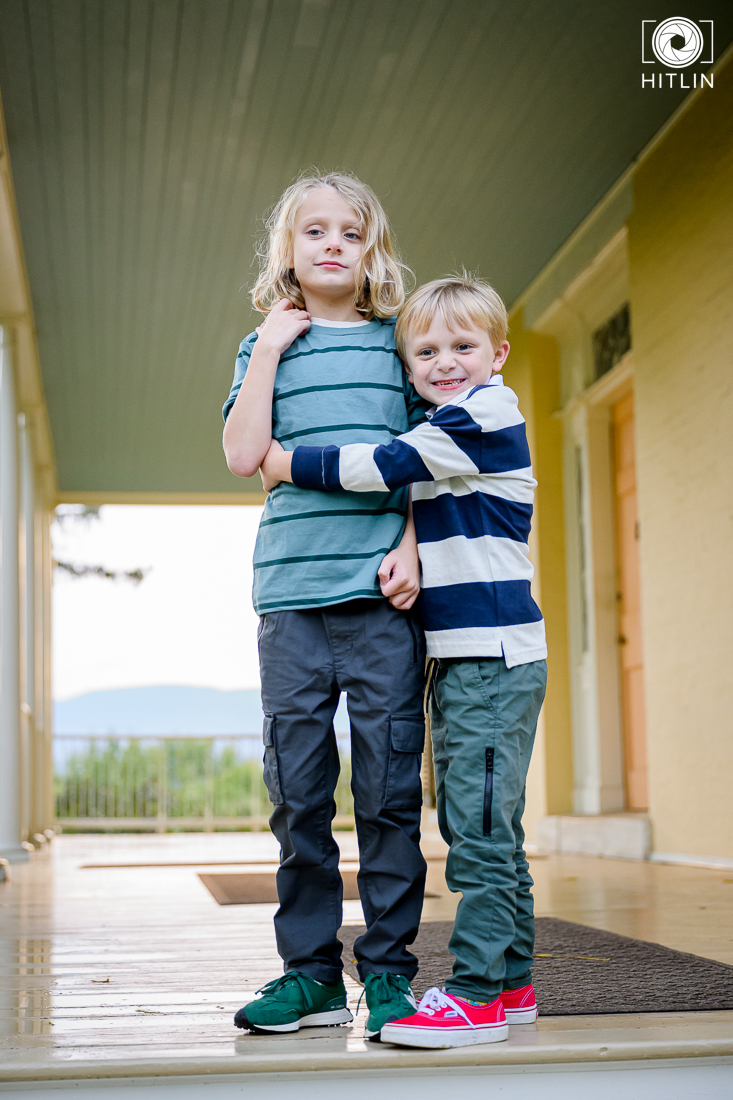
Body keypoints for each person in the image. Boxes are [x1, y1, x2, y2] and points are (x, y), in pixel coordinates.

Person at [261, 273, 548, 1049]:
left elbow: (382, 464)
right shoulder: (455, 417)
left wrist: (285, 464)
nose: (443, 361)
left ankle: (480, 992)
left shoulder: (485, 414)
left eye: (462, 346)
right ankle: (514, 982)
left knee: (479, 825)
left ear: (498, 353)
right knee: (481, 818)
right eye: (425, 350)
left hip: (490, 654)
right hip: (462, 656)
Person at [222, 172, 429, 1040]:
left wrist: (413, 545)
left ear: (371, 249)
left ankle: (387, 975)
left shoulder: (397, 345)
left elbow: (432, 458)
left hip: (381, 603)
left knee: (387, 793)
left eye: (350, 230)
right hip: (291, 602)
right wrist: (268, 348)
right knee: (298, 794)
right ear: (290, 252)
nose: (332, 243)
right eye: (314, 231)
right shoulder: (262, 345)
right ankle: (307, 977)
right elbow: (243, 454)